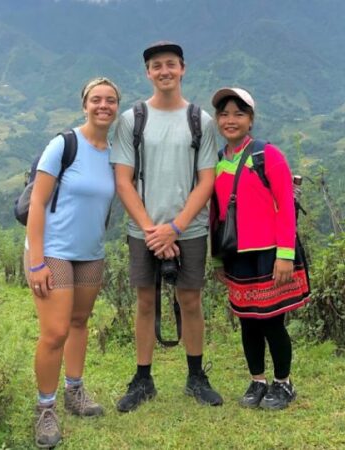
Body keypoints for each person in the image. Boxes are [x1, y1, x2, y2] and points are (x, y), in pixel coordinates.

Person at [111, 41, 222, 412]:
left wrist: (174, 227)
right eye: (157, 66)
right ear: (148, 73)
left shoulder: (200, 121)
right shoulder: (132, 119)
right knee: (145, 301)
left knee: (190, 299)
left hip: (188, 228)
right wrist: (151, 230)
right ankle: (143, 379)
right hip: (143, 228)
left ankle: (196, 377)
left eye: (170, 64)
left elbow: (206, 181)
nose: (164, 71)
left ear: (183, 68)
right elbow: (123, 180)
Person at [24, 77, 120, 447]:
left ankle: (74, 391)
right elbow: (37, 202)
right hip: (54, 251)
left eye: (110, 100)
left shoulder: (112, 152)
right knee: (55, 332)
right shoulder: (64, 145)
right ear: (84, 104)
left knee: (80, 322)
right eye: (96, 99)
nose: (103, 106)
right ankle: (45, 409)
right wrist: (36, 261)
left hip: (90, 252)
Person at [210, 87, 310, 410]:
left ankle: (284, 382)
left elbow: (285, 208)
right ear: (217, 120)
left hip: (269, 255)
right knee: (247, 320)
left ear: (251, 120)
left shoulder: (267, 155)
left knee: (271, 321)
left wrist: (285, 255)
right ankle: (257, 380)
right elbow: (216, 215)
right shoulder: (217, 163)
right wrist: (217, 261)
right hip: (237, 256)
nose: (230, 120)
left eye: (238, 113)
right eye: (224, 114)